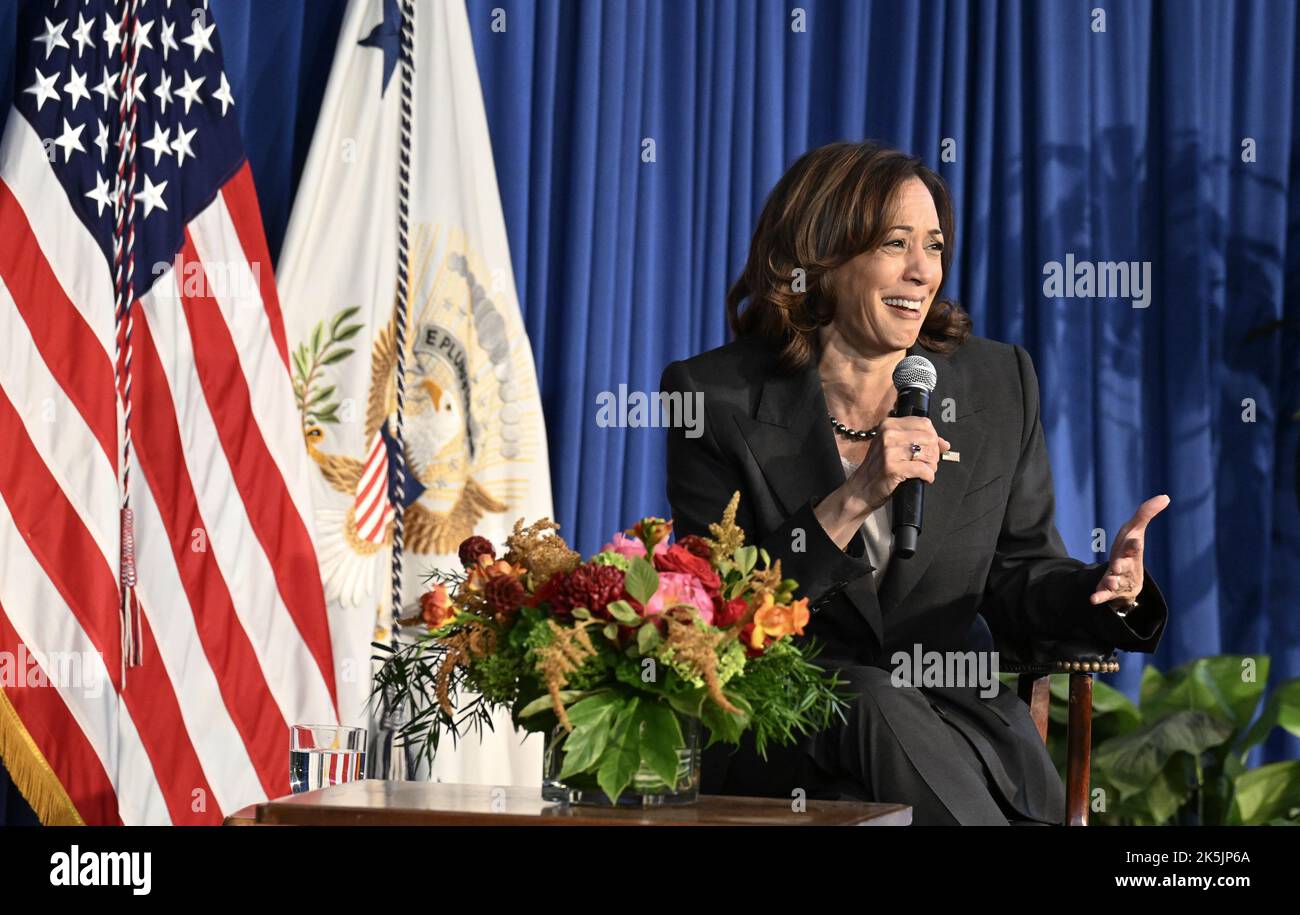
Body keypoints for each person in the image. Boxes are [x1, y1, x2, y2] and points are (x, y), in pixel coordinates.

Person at [659, 140, 1170, 825]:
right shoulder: (713, 397)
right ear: (823, 255)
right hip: (787, 736)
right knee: (865, 693)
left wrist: (1102, 590)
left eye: (932, 245)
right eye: (896, 243)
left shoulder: (994, 384)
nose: (922, 270)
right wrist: (852, 499)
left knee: (884, 704)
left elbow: (1020, 572)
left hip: (953, 721)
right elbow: (720, 613)